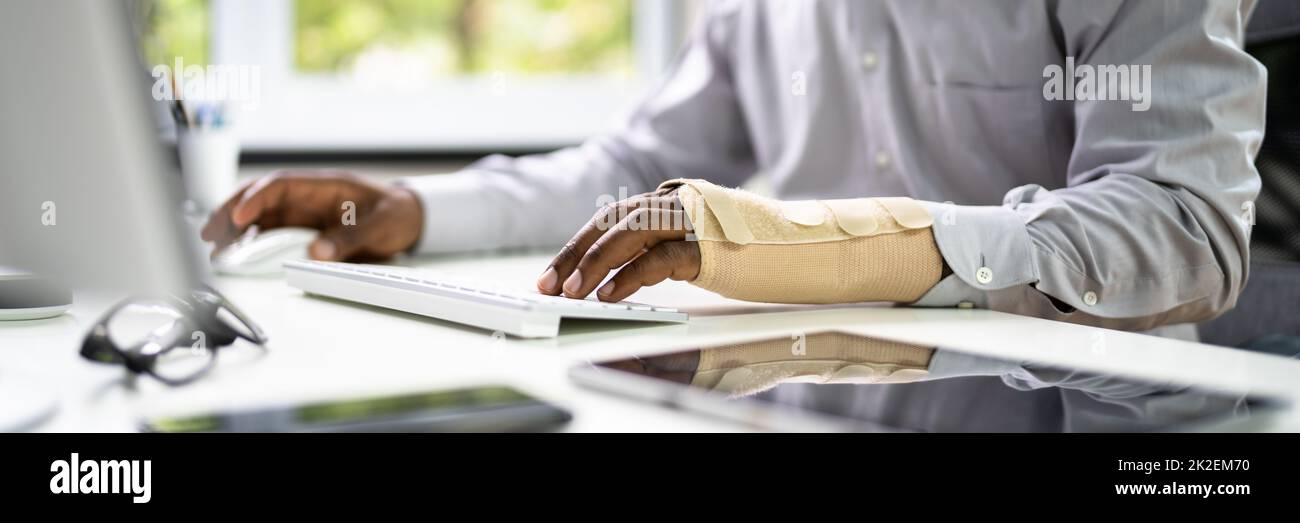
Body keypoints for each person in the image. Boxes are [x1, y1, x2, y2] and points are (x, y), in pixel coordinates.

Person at [202, 0, 1265, 340]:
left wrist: (811, 250)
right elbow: (640, 169)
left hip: (1082, 398)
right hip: (794, 379)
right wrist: (410, 207)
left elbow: (1185, 217)